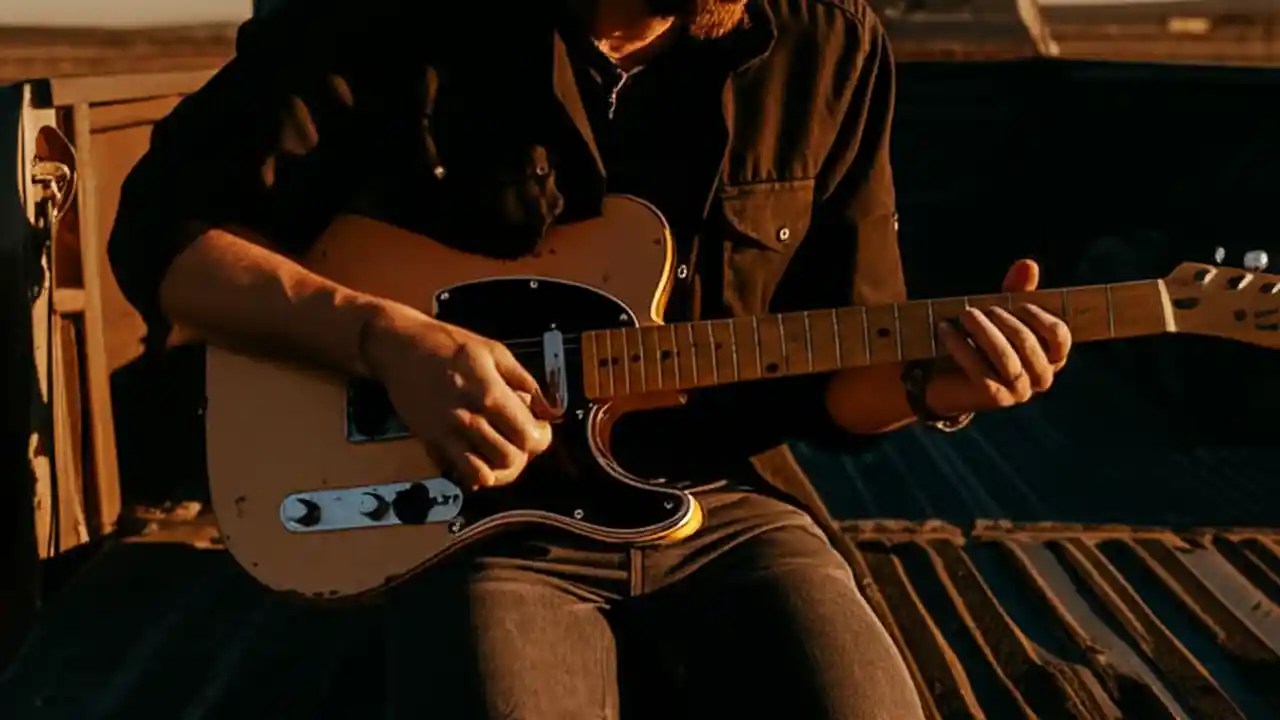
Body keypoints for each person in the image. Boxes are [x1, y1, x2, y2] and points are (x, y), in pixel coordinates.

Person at [107, 0, 1073, 717]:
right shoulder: (384, 17)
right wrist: (382, 338)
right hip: (466, 511)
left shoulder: (827, 43)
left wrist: (933, 385)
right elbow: (165, 240)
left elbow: (839, 380)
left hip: (726, 506)